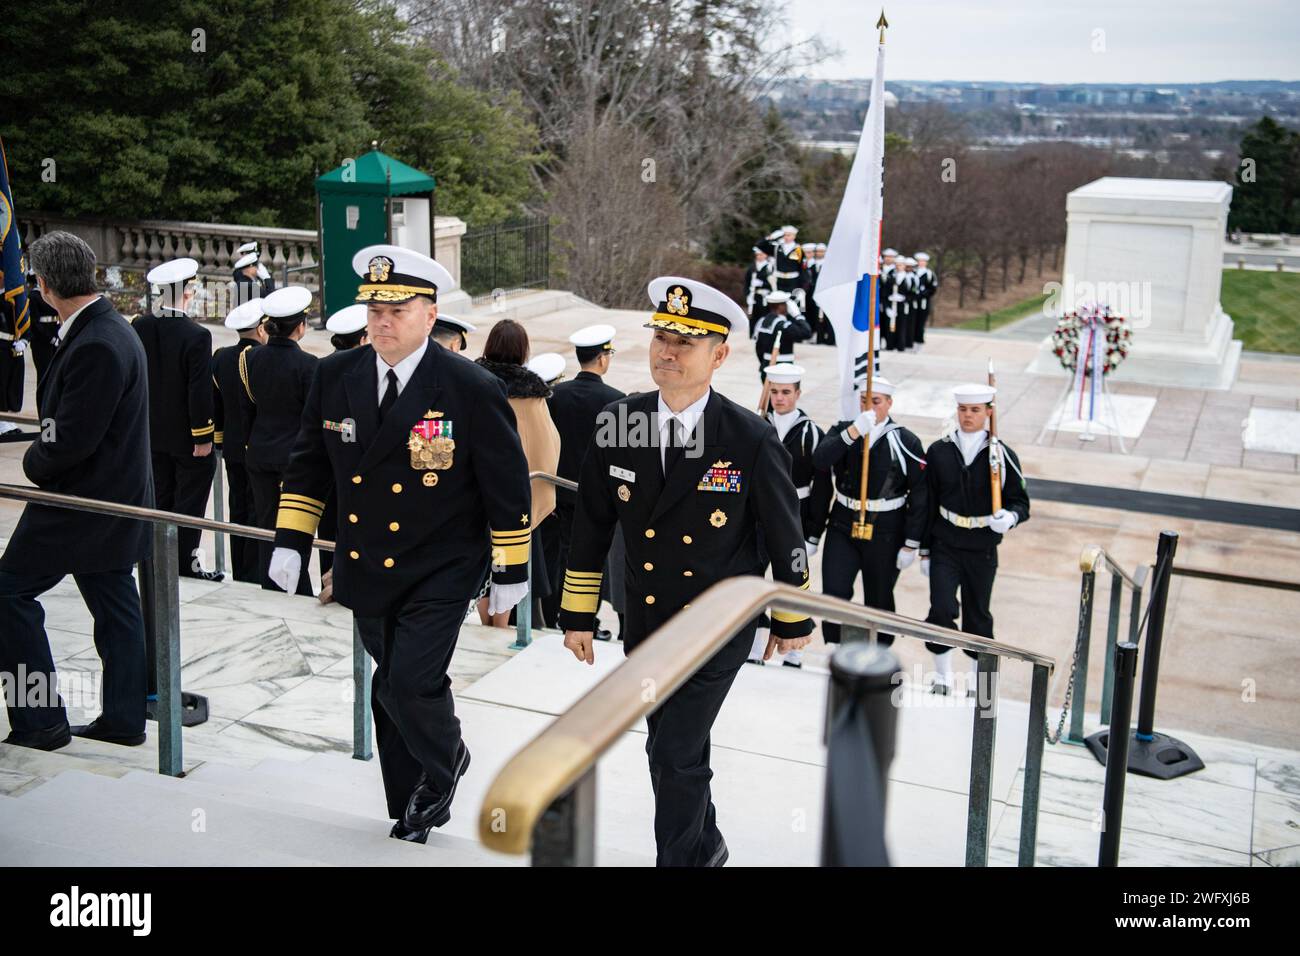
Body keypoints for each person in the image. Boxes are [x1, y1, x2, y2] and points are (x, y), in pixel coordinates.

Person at [265, 244, 532, 843]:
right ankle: (406, 801)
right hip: (364, 561)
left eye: (398, 309)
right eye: (374, 308)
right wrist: (291, 538)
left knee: (408, 682)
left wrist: (511, 565)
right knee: (389, 684)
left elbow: (505, 479)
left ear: (430, 314)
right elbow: (309, 463)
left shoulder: (468, 385)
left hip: (442, 565)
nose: (382, 320)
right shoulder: (336, 375)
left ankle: (445, 765)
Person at [560, 276, 814, 867]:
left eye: (686, 343)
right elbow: (592, 526)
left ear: (719, 356)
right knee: (670, 750)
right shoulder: (618, 424)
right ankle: (706, 844)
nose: (667, 353)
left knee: (674, 751)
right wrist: (577, 610)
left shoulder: (748, 437)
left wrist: (791, 615)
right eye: (661, 339)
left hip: (717, 625)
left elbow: (785, 532)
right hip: (647, 621)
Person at [0, 231, 153, 750]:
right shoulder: (107, 328)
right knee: (115, 608)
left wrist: (33, 459)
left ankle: (40, 721)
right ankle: (126, 718)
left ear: (43, 285)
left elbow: (69, 441)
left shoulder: (97, 343)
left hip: (83, 504)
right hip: (113, 498)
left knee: (7, 595)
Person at [921, 384, 1030, 695]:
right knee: (941, 607)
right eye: (963, 409)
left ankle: (976, 684)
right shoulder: (940, 450)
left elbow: (1021, 502)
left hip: (981, 547)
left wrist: (1009, 518)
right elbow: (928, 503)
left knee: (978, 613)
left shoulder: (1002, 455)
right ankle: (942, 677)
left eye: (975, 410)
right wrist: (924, 550)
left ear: (988, 413)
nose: (968, 416)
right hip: (945, 542)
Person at [811, 377, 927, 648]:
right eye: (864, 401)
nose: (869, 407)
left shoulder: (905, 439)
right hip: (843, 523)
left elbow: (920, 494)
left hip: (886, 528)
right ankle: (836, 652)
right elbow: (821, 460)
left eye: (875, 401)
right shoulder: (844, 430)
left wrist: (912, 543)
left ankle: (879, 655)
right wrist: (854, 431)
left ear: (889, 403)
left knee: (879, 597)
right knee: (834, 593)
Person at [133, 257, 221, 581]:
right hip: (186, 437)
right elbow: (198, 392)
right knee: (190, 502)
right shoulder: (196, 335)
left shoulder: (139, 325)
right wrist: (203, 437)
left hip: (152, 433)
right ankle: (186, 562)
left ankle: (157, 557)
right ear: (186, 292)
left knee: (160, 497)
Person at [473, 320, 561, 627]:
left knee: (483, 565)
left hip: (475, 495)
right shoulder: (531, 393)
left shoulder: (473, 382)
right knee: (510, 563)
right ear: (523, 351)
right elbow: (546, 445)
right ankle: (500, 627)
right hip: (515, 497)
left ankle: (486, 624)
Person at [544, 324, 627, 639]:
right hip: (597, 496)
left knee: (564, 555)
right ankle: (584, 620)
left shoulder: (555, 396)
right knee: (593, 559)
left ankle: (562, 618)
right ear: (603, 359)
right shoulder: (616, 401)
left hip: (560, 491)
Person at [747, 363, 831, 669]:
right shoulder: (755, 425)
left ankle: (795, 648)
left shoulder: (810, 433)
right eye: (774, 392)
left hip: (794, 514)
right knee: (752, 579)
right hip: (756, 517)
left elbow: (822, 487)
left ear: (797, 393)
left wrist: (812, 532)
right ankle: (755, 646)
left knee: (793, 581)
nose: (779, 398)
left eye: (786, 392)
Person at [239, 286, 319, 595]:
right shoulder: (309, 365)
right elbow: (310, 418)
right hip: (294, 458)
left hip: (258, 452)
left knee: (265, 521)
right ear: (300, 326)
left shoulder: (250, 358)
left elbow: (248, 410)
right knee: (293, 526)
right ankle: (296, 587)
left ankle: (269, 582)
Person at [315, 303, 371, 600]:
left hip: (329, 469)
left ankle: (330, 582)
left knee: (329, 530)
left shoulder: (323, 369)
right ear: (363, 339)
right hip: (353, 472)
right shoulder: (356, 373)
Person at [211, 297, 267, 584]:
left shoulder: (220, 357)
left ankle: (241, 570)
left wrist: (219, 439)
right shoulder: (262, 359)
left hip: (232, 447)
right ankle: (255, 570)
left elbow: (217, 405)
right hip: (258, 447)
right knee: (259, 511)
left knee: (238, 510)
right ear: (261, 329)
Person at [751, 289, 812, 382]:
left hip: (766, 367)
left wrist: (765, 363)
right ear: (780, 306)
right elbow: (807, 332)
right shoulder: (782, 325)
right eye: (785, 304)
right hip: (782, 370)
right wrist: (797, 315)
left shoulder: (762, 321)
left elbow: (758, 348)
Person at [766, 225, 805, 295]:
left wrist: (801, 285)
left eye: (789, 235)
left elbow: (801, 267)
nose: (786, 237)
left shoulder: (798, 249)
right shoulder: (777, 247)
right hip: (779, 280)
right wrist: (771, 237)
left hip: (793, 280)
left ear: (794, 236)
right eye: (785, 235)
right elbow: (761, 246)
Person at [742, 247, 775, 327]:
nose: (759, 256)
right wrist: (747, 296)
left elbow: (773, 284)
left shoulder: (769, 267)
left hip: (766, 297)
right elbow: (747, 283)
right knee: (754, 318)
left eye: (761, 254)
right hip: (754, 296)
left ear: (765, 255)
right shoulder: (752, 268)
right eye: (757, 255)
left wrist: (762, 284)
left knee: (765, 317)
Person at [912, 252, 938, 349]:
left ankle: (919, 341)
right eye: (919, 261)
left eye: (923, 261)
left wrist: (923, 294)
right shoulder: (913, 272)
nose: (921, 263)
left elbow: (933, 288)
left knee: (921, 322)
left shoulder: (929, 274)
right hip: (913, 301)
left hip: (923, 302)